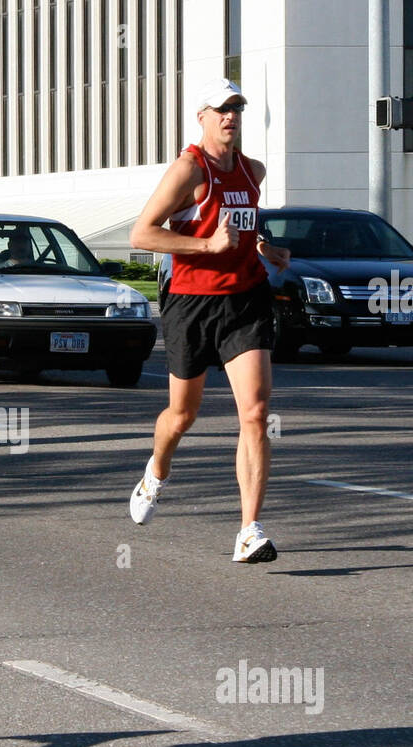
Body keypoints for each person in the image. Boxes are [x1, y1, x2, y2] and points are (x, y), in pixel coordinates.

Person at [127, 78, 291, 563]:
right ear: (202, 116)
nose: (230, 117)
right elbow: (142, 234)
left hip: (244, 300)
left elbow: (241, 224)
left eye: (237, 108)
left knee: (256, 414)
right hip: (191, 303)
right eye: (221, 109)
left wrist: (264, 247)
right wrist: (205, 247)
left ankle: (249, 530)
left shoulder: (251, 171)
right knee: (183, 415)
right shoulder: (188, 170)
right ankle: (156, 470)